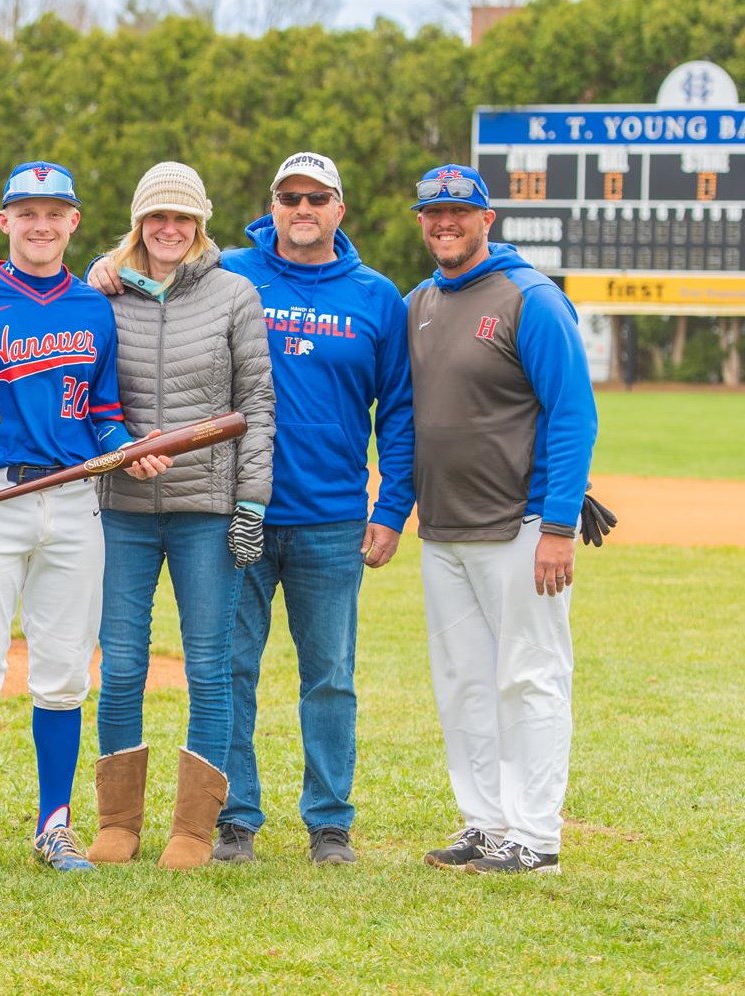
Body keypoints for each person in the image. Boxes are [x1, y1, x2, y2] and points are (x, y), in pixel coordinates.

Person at [0, 162, 170, 876]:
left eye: (54, 212)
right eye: (27, 212)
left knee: (64, 673)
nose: (41, 225)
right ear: (4, 220)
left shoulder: (94, 308)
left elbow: (102, 410)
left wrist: (126, 448)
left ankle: (55, 825)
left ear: (73, 221)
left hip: (72, 501)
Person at [211, 152, 415, 866]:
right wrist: (106, 270)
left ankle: (329, 823)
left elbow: (400, 411)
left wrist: (392, 506)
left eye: (317, 198)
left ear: (339, 209)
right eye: (290, 197)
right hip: (236, 510)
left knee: (329, 676)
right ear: (271, 205)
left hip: (331, 518)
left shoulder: (376, 296)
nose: (303, 209)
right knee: (230, 670)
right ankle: (234, 818)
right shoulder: (228, 272)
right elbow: (150, 259)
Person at [405, 165, 597, 875]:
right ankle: (485, 823)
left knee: (531, 677)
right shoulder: (420, 301)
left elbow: (573, 413)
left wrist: (558, 526)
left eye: (459, 210)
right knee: (464, 683)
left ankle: (535, 837)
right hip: (444, 528)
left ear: (487, 219)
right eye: (433, 212)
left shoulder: (531, 298)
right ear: (421, 221)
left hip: (521, 526)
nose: (445, 222)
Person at [82, 161, 274, 868]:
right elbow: (85, 393)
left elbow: (257, 404)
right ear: (139, 224)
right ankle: (118, 824)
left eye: (183, 218)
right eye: (157, 217)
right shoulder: (102, 293)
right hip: (124, 508)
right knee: (123, 665)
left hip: (207, 511)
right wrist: (118, 452)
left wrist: (251, 502)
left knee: (209, 669)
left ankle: (193, 829)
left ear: (200, 224)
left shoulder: (235, 294)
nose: (170, 229)